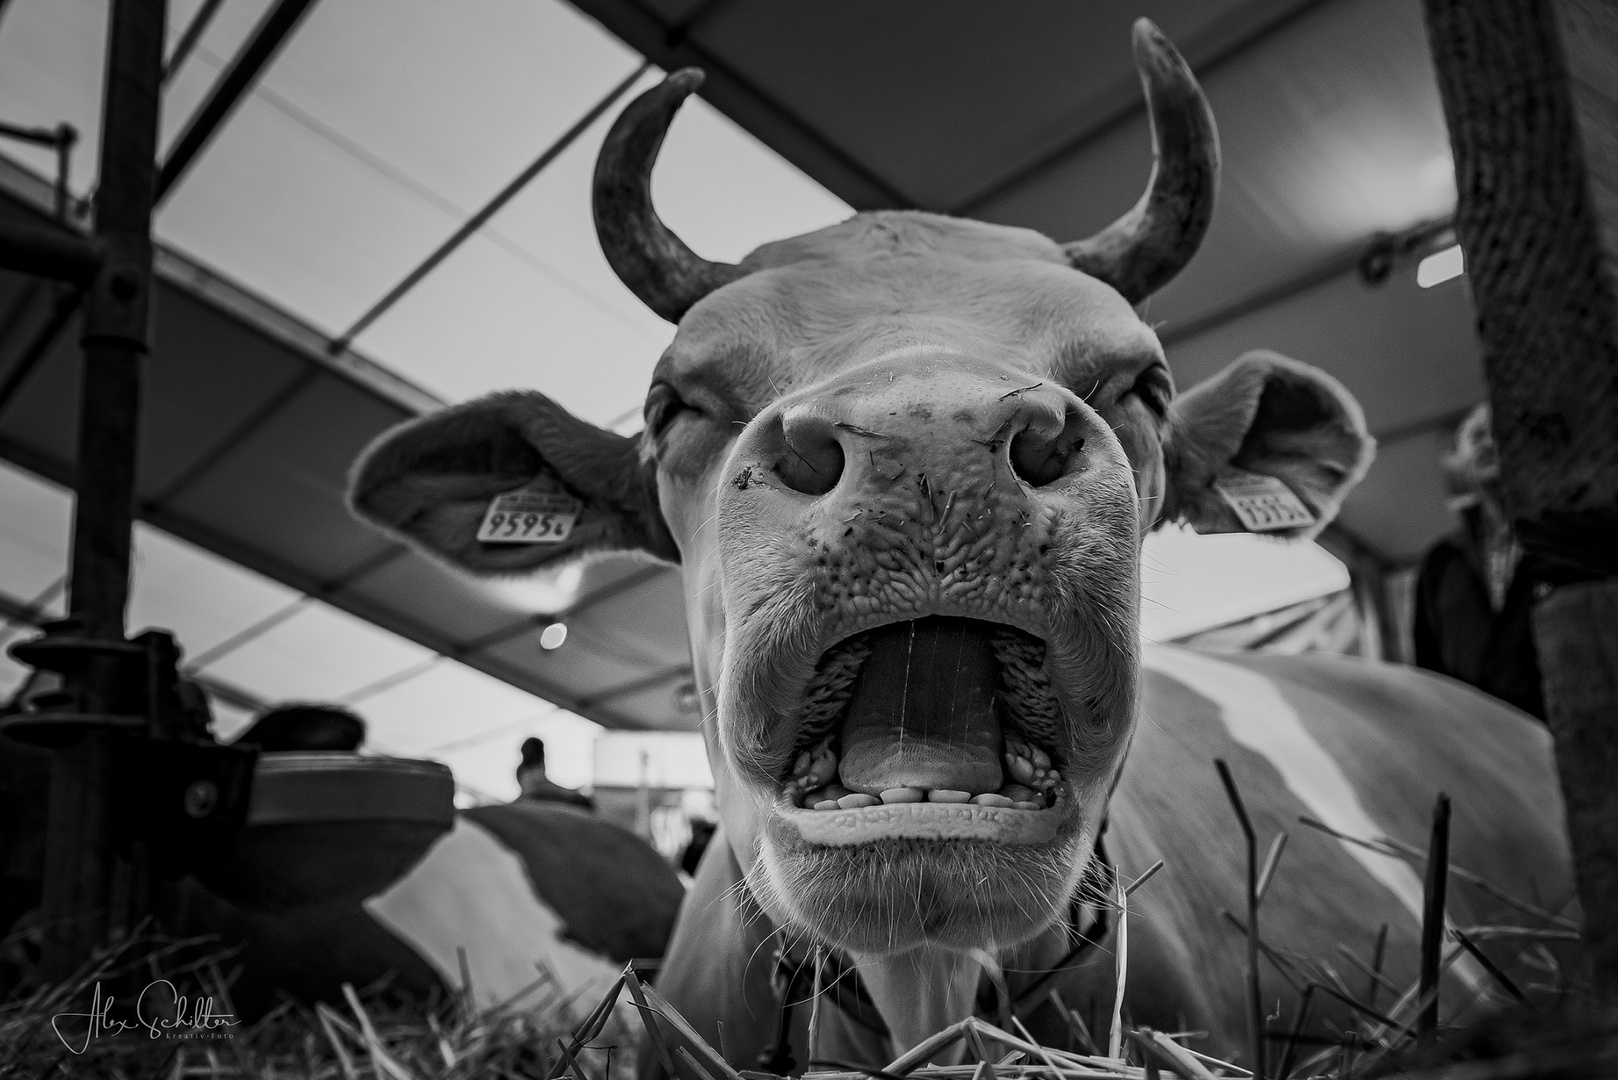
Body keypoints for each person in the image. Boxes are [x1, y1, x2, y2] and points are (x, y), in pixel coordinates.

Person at [1412, 404, 1589, 720]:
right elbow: (1428, 669)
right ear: (1463, 463)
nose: (1486, 444)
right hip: (1483, 745)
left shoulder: (1573, 535)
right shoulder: (1441, 562)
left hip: (1573, 726)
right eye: (1476, 437)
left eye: (1498, 433)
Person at [515, 737, 594, 810]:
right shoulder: (527, 772)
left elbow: (545, 785)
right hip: (537, 800)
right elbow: (540, 788)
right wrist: (569, 792)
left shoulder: (525, 770)